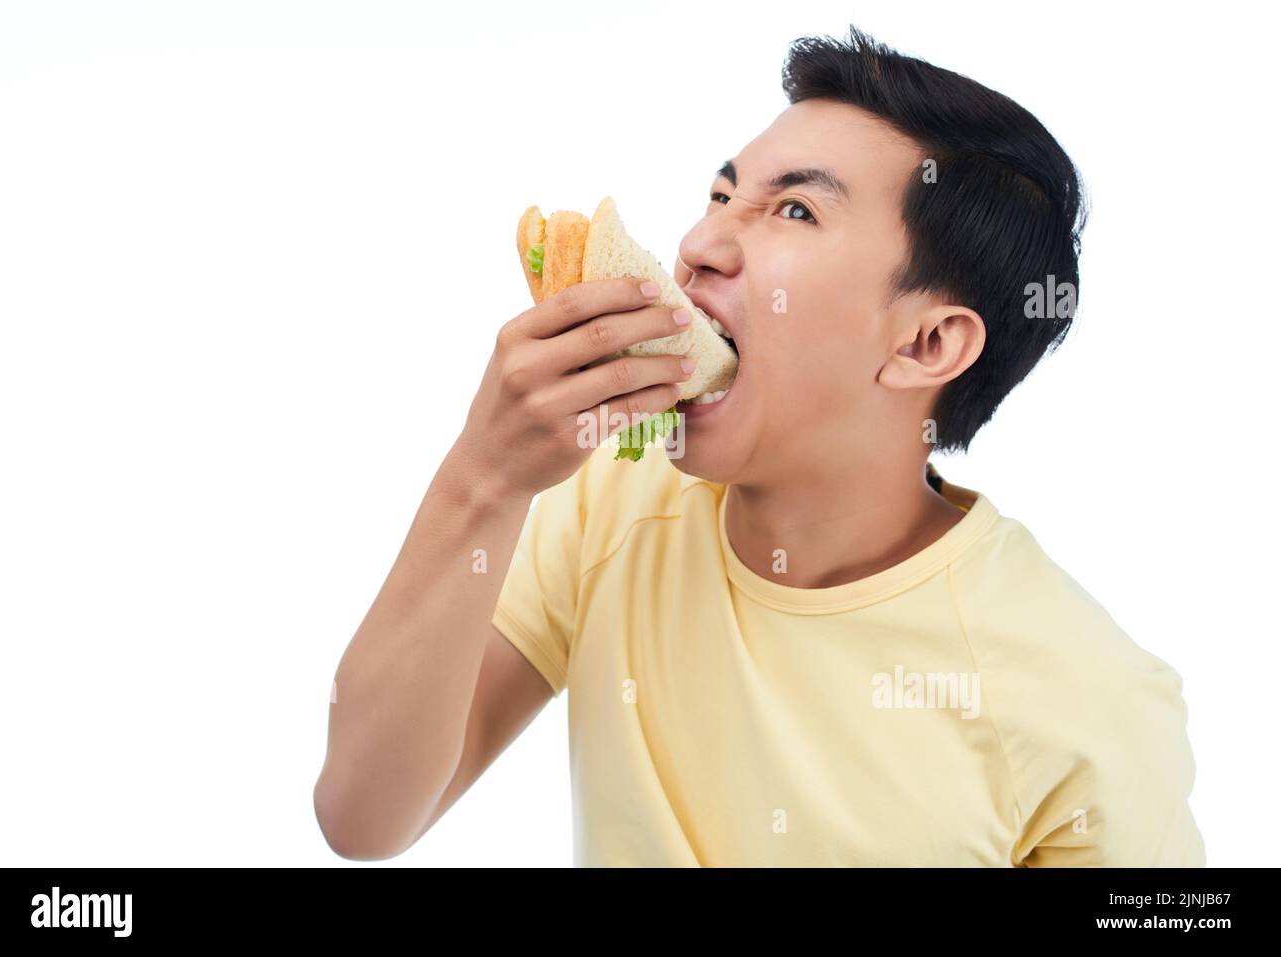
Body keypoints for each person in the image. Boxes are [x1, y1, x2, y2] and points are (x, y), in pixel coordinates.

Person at [313, 27, 1206, 867]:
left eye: (794, 211)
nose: (699, 245)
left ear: (927, 344)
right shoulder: (613, 506)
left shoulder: (1087, 697)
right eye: (719, 194)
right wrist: (486, 479)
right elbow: (364, 814)